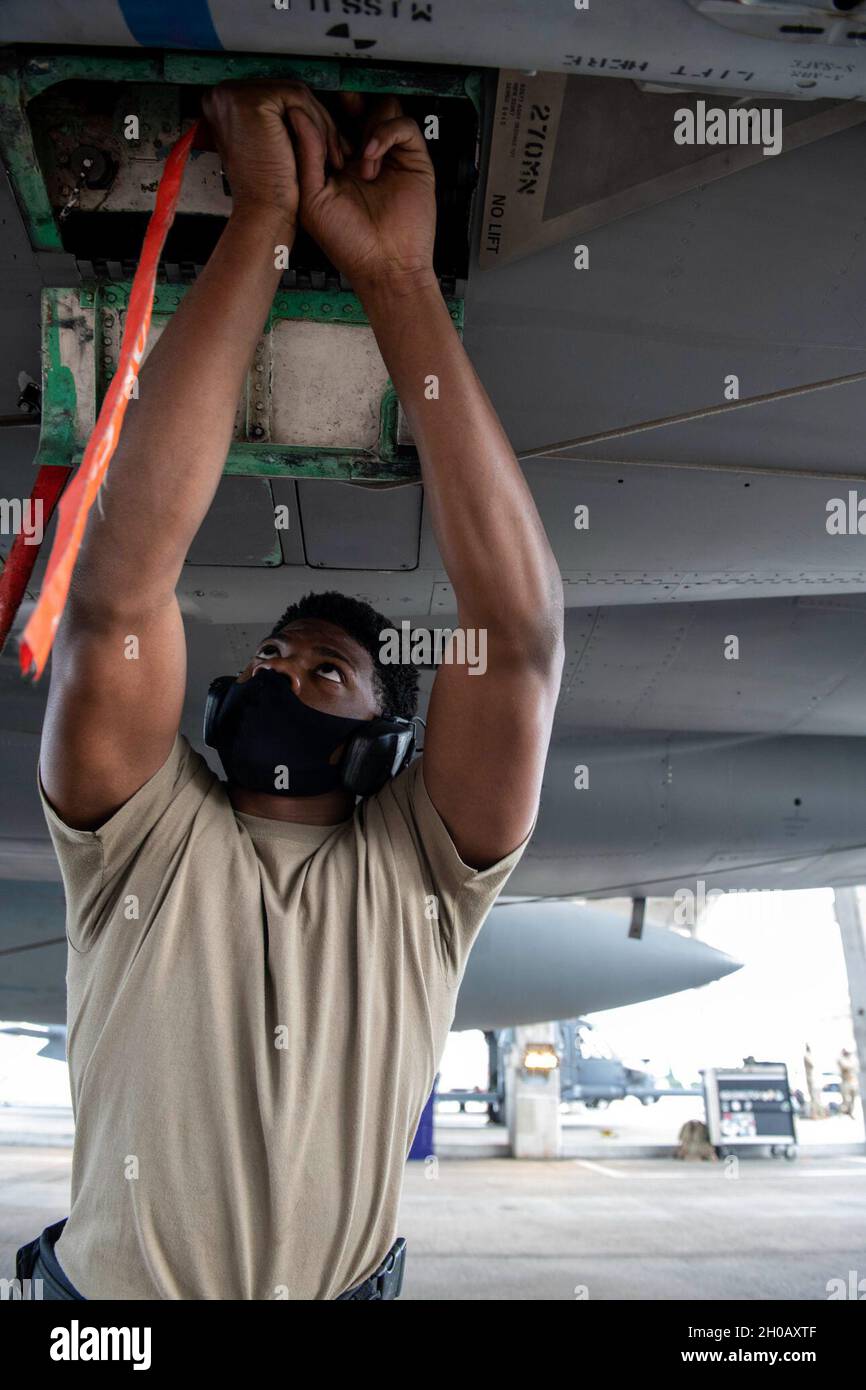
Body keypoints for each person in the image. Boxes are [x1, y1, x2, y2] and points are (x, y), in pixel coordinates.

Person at [17, 81, 564, 1300]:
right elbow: (118, 592)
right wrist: (262, 218)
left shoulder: (422, 875)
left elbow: (515, 641)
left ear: (385, 741)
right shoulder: (134, 843)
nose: (281, 669)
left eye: (328, 669)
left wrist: (401, 285)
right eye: (270, 658)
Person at [838, 1048, 860, 1118]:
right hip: (846, 1082)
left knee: (853, 1098)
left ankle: (851, 1112)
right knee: (847, 1099)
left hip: (853, 1082)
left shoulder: (852, 1059)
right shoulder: (841, 1060)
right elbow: (845, 1066)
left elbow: (856, 1067)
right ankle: (845, 1112)